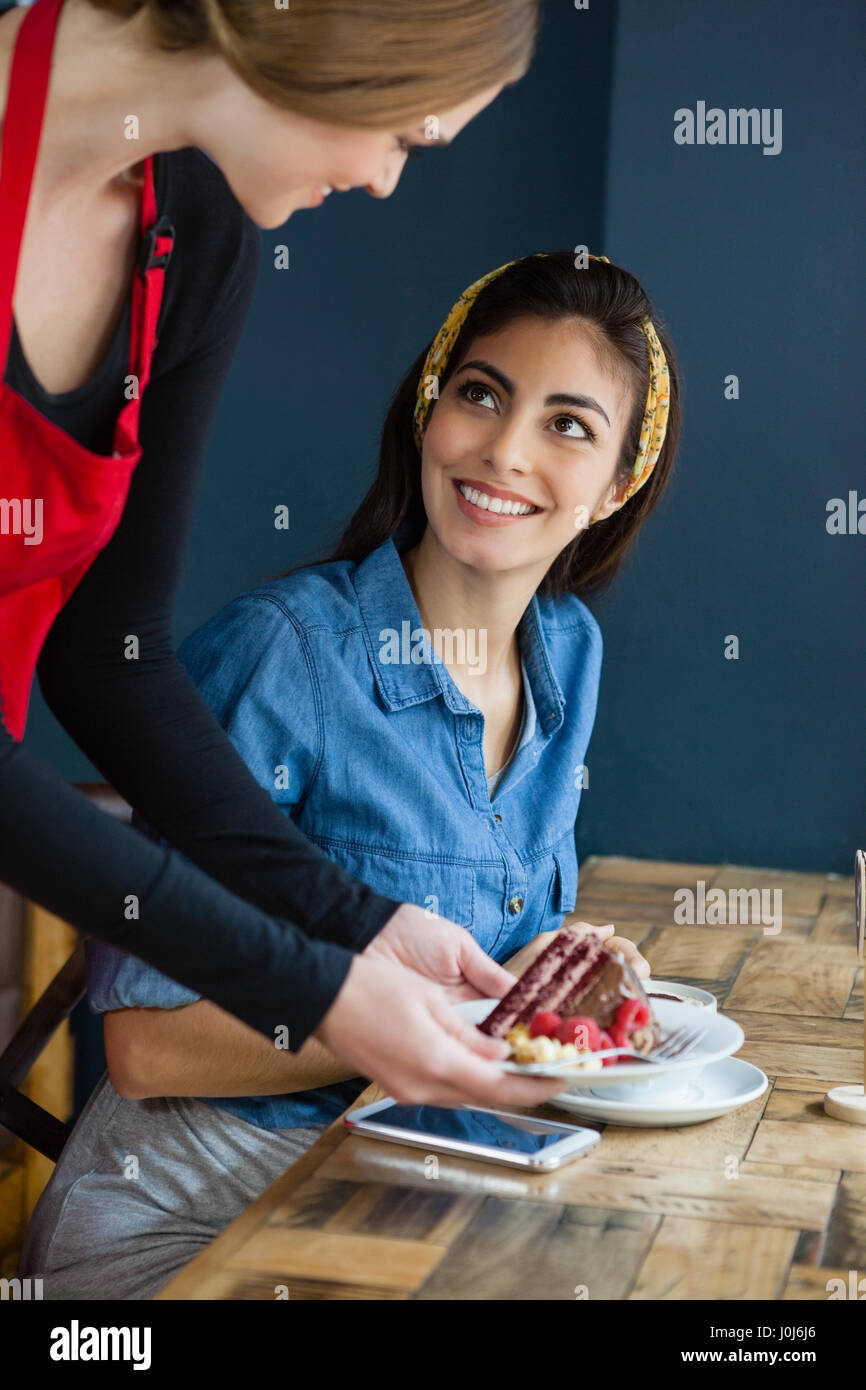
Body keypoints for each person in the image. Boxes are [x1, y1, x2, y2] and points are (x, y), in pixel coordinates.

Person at [20, 249, 680, 1299]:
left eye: (567, 425)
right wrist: (448, 1024)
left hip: (413, 1194)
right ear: (428, 411)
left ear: (615, 485)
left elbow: (479, 937)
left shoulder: (568, 653)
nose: (505, 450)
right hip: (190, 1227)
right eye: (479, 394)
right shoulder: (284, 653)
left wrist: (553, 975)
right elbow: (147, 1048)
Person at [0, 0, 567, 1109]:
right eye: (406, 136)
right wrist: (313, 989)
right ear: (324, 37)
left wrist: (358, 921)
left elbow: (109, 658)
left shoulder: (196, 231)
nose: (386, 182)